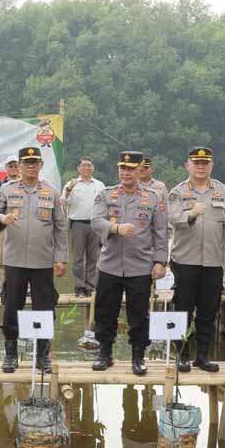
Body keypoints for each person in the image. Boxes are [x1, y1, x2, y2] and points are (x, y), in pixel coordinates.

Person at [0, 147, 68, 374]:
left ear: (41, 165)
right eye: (26, 163)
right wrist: (2, 217)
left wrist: (61, 258)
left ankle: (42, 355)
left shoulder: (51, 192)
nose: (31, 166)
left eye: (34, 162)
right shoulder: (7, 190)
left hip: (43, 261)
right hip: (15, 260)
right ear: (19, 166)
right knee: (12, 306)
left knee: (45, 307)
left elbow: (61, 227)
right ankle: (11, 354)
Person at [90, 151, 168, 376]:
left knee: (139, 314)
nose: (126, 173)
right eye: (122, 168)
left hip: (140, 265)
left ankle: (138, 356)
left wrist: (160, 261)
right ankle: (105, 353)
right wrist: (115, 228)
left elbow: (161, 232)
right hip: (110, 264)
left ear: (140, 170)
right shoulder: (106, 194)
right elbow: (95, 221)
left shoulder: (153, 197)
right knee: (105, 312)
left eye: (130, 169)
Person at [167, 147, 225, 372]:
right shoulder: (178, 192)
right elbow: (172, 218)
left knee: (208, 310)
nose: (200, 167)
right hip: (185, 260)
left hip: (214, 261)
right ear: (187, 165)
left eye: (205, 163)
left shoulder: (222, 190)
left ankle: (203, 356)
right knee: (183, 309)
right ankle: (182, 355)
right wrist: (191, 214)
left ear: (211, 166)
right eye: (196, 163)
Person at [61, 156, 105, 297]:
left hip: (95, 224)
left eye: (89, 165)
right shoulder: (72, 184)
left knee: (93, 257)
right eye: (84, 165)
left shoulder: (99, 185)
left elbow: (105, 204)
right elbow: (64, 202)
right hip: (78, 224)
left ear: (93, 168)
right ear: (78, 168)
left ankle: (90, 286)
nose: (87, 168)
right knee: (78, 258)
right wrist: (69, 189)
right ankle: (79, 287)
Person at [0, 155, 21, 298]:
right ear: (6, 168)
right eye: (11, 166)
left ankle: (24, 287)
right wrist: (2, 218)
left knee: (23, 256)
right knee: (1, 257)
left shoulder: (25, 183)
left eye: (16, 165)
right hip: (4, 225)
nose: (14, 168)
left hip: (22, 226)